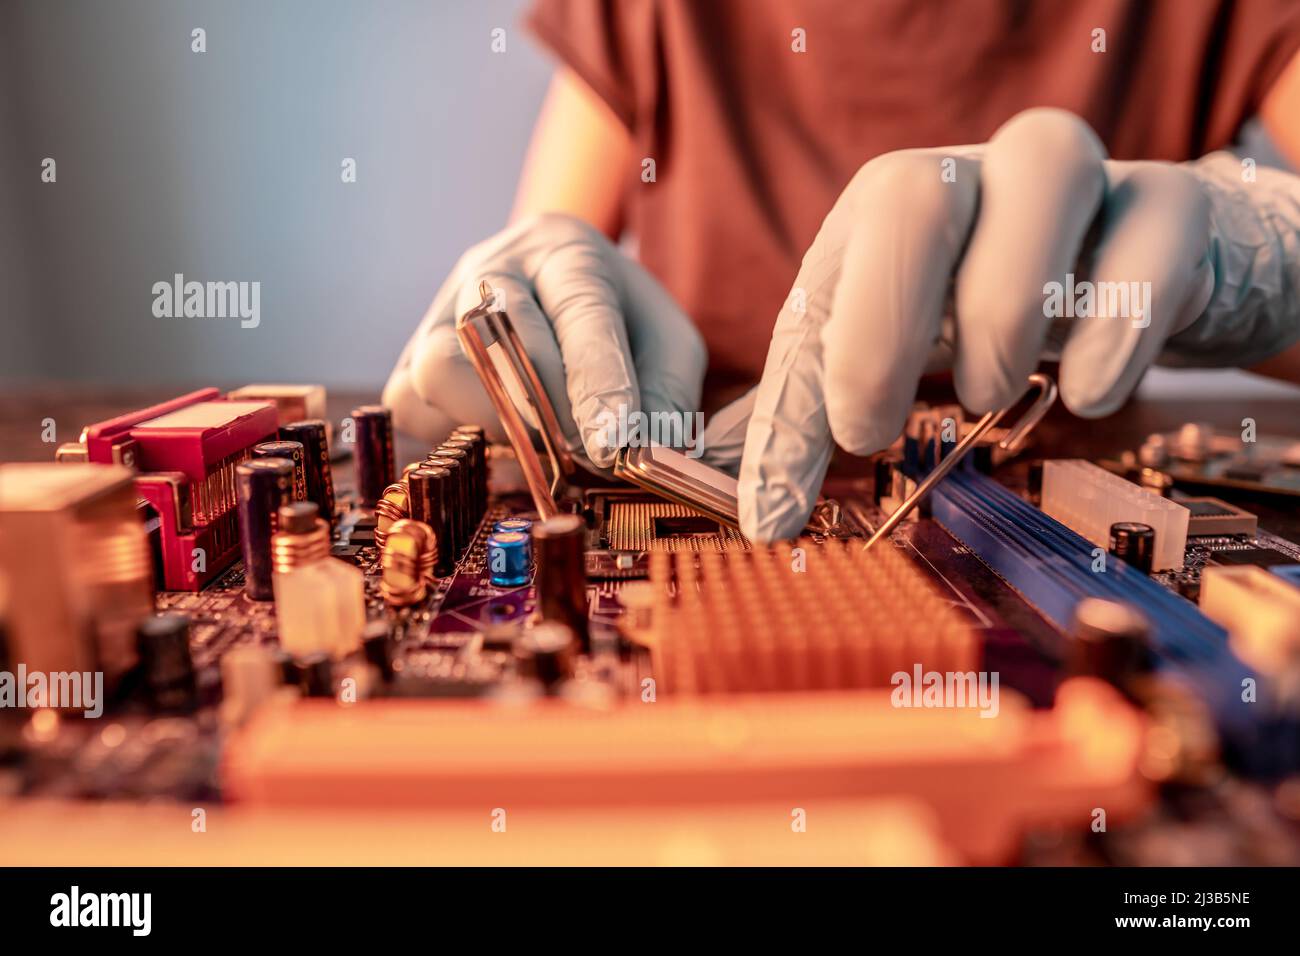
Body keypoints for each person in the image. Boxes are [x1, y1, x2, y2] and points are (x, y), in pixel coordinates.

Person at [384, 0, 1300, 541]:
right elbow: (543, 288)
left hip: (1068, 540)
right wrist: (532, 294)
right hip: (713, 523)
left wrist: (1245, 261)